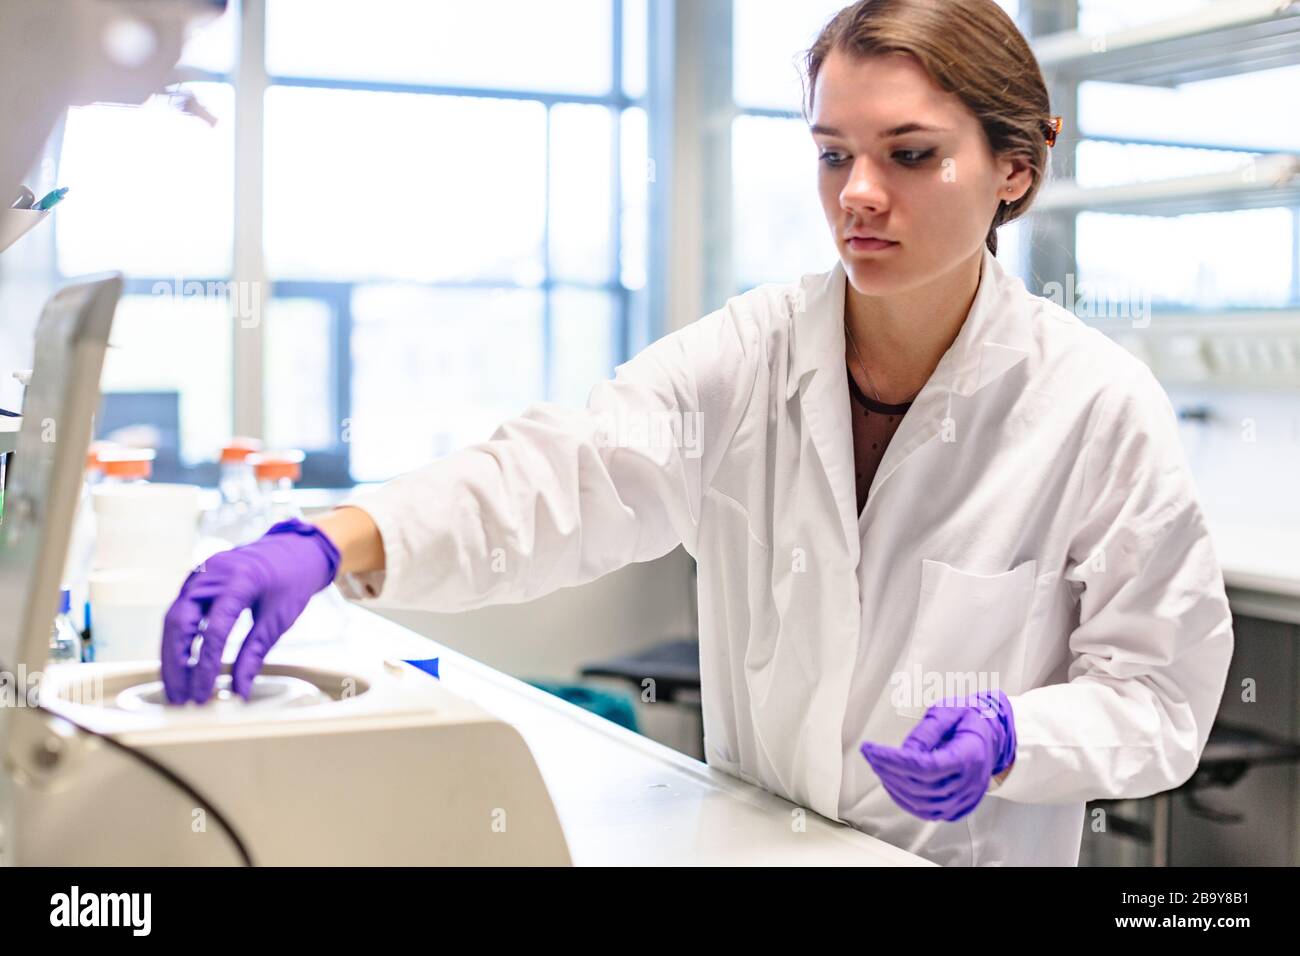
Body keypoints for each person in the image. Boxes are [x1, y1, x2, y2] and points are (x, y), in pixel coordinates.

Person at [160, 0, 1233, 866]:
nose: (857, 193)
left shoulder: (1094, 406)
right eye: (831, 154)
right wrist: (331, 538)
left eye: (909, 154)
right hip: (759, 843)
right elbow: (561, 472)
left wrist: (1015, 737)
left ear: (1013, 171)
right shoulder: (751, 354)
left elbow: (1157, 695)